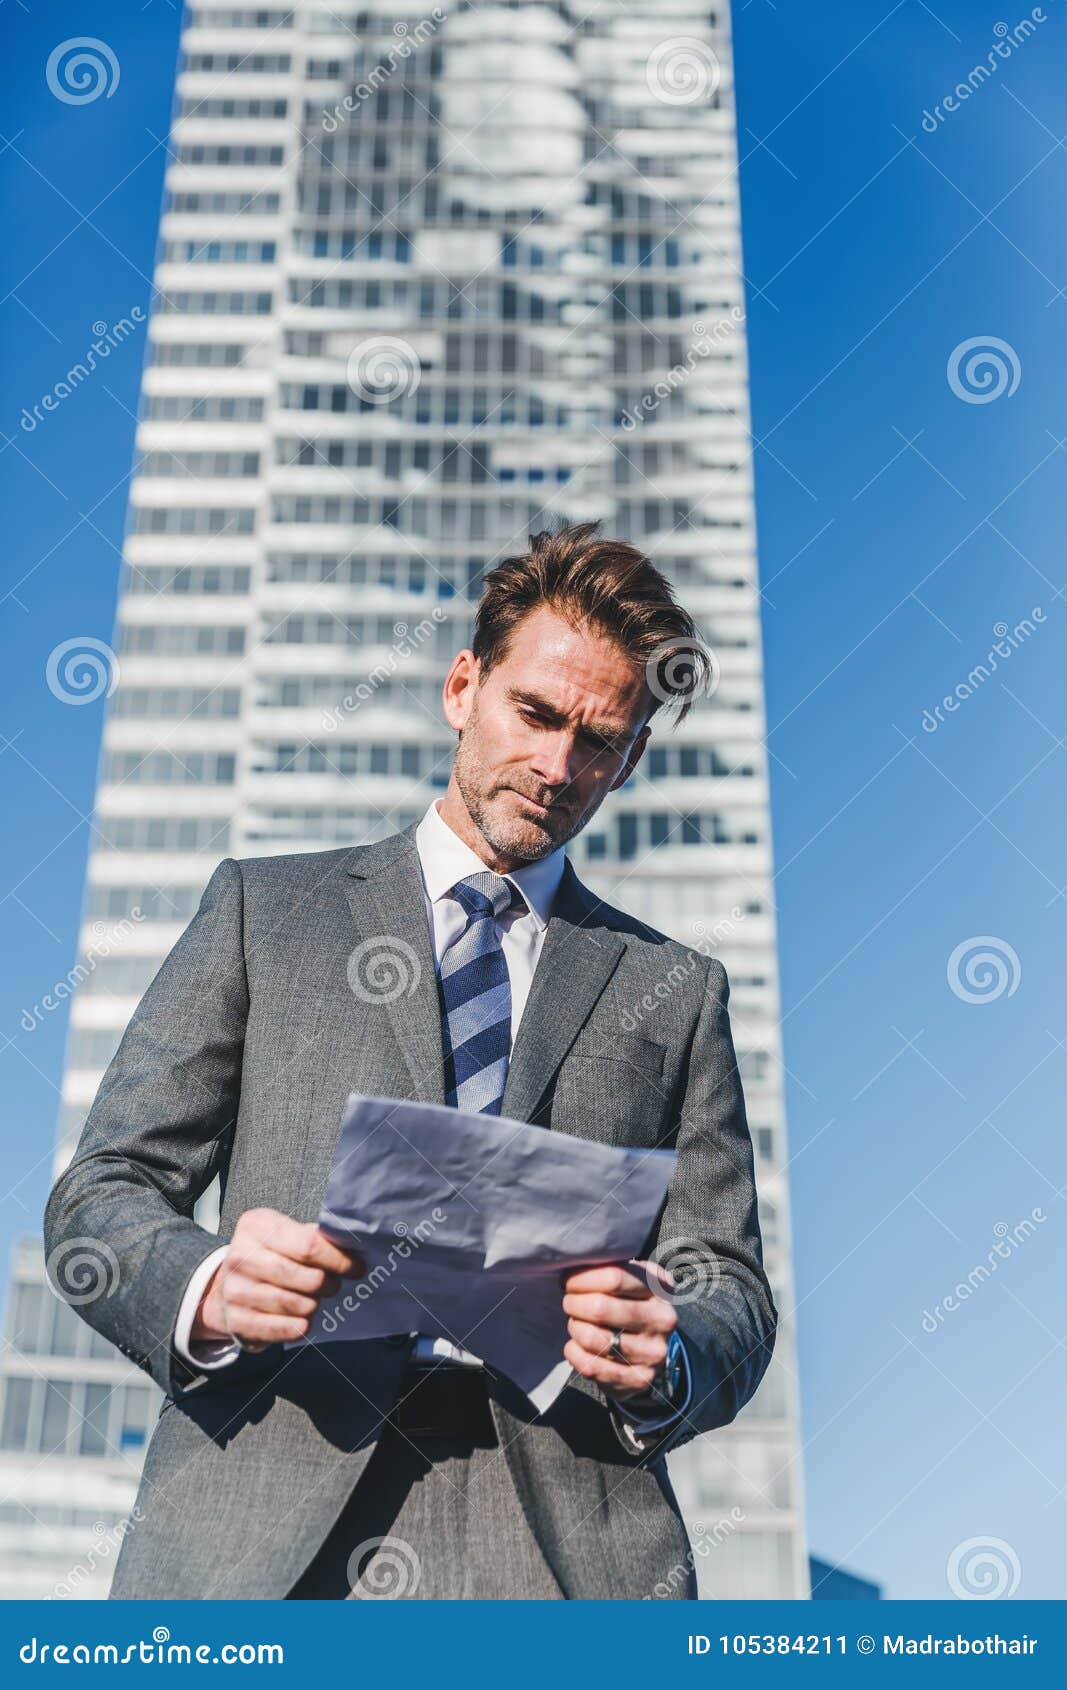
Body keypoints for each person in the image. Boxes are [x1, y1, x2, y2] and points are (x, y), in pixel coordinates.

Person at [44, 521, 777, 1600]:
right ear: (461, 687)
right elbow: (100, 1194)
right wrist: (209, 1286)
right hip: (267, 1516)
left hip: (564, 1550)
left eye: (598, 740)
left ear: (629, 760)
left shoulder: (675, 989)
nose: (556, 767)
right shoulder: (264, 913)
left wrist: (667, 1351)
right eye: (535, 714)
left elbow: (730, 1285)